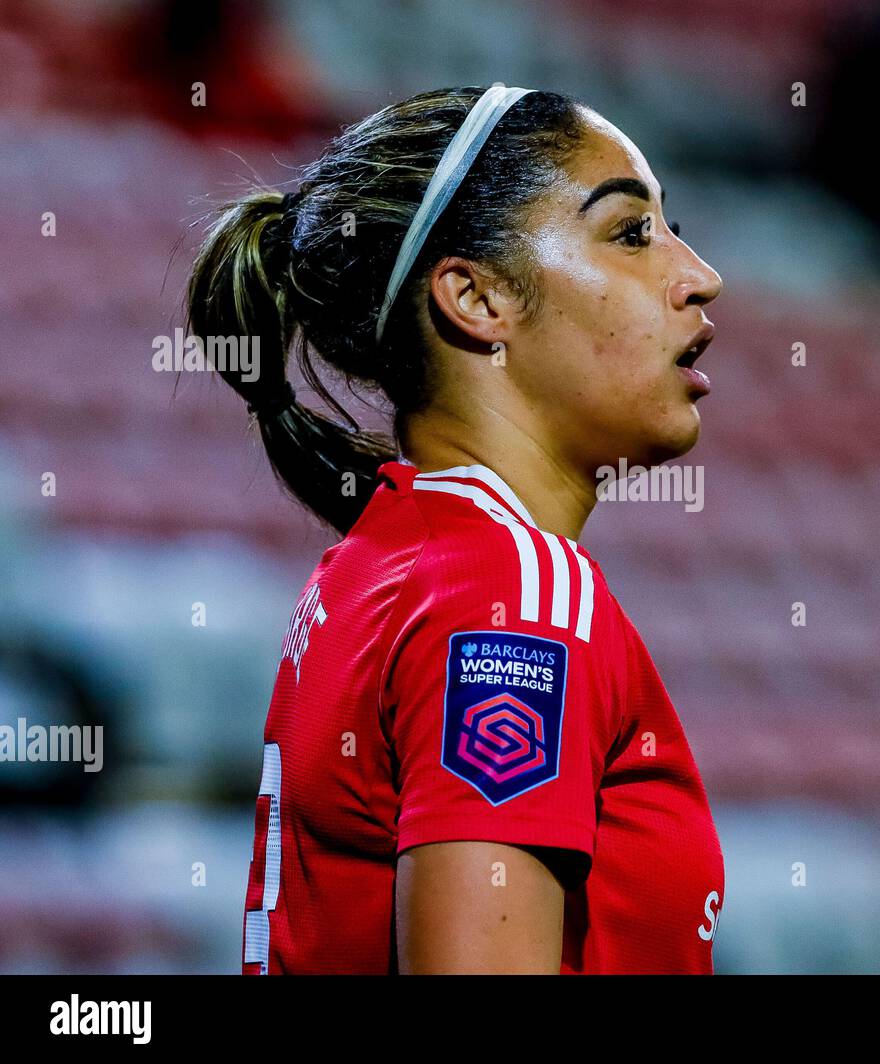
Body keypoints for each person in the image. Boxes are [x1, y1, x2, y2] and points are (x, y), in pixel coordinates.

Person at [186, 84, 726, 973]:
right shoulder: (514, 596)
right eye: (632, 233)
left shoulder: (376, 563)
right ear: (475, 298)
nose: (700, 276)